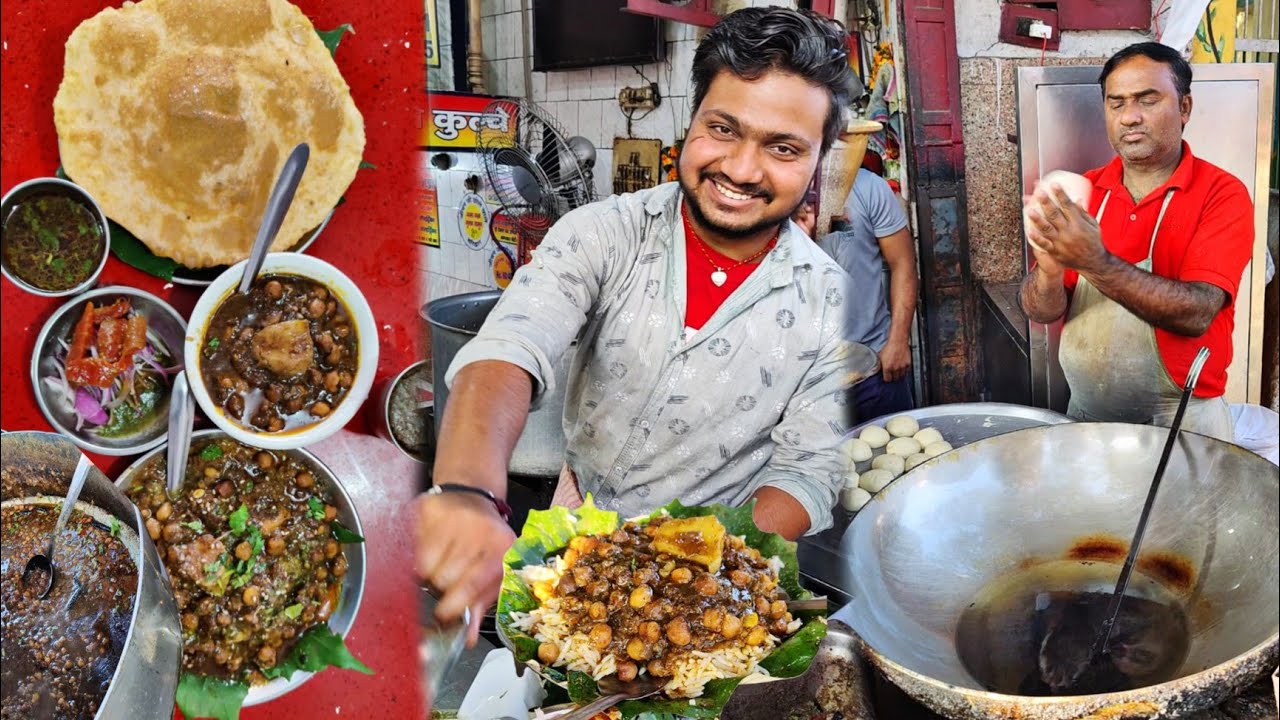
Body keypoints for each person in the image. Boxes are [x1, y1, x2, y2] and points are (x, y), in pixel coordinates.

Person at [416, 6, 878, 643]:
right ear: (690, 123)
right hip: (574, 529)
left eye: (783, 148)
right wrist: (468, 492)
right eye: (723, 129)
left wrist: (703, 575)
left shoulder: (828, 299)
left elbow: (808, 469)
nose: (742, 170)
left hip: (719, 572)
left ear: (819, 159)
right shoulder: (602, 234)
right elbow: (511, 348)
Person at [1019, 42, 1253, 440]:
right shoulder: (1086, 191)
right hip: (1087, 421)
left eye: (1148, 100)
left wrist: (1095, 261)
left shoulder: (1221, 194)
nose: (1130, 117)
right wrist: (1051, 270)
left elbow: (1195, 314)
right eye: (1117, 103)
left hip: (1184, 426)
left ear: (1184, 108)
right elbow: (1040, 311)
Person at [812, 167, 918, 421]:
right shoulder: (765, 194)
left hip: (877, 365)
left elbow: (903, 262)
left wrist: (898, 340)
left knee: (897, 455)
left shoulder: (869, 187)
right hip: (805, 382)